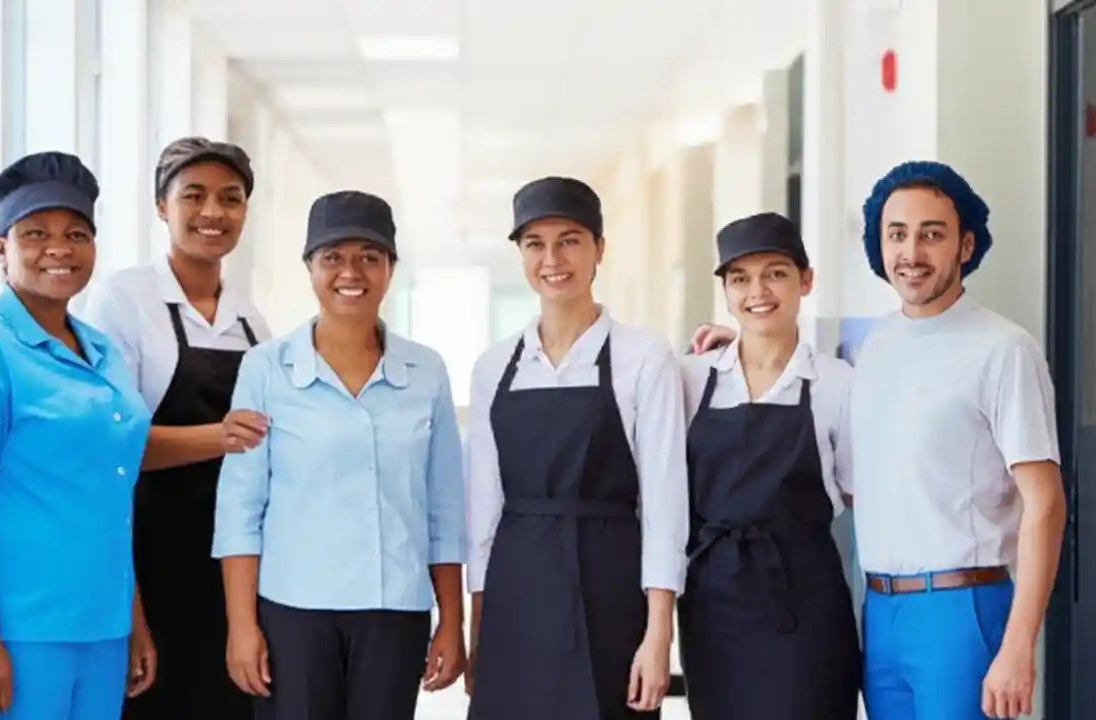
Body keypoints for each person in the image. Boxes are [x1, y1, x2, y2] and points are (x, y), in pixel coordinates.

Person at [692, 161, 1066, 720]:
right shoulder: (878, 347)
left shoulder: (1003, 349)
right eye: (897, 234)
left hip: (961, 606)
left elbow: (1046, 503)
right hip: (881, 612)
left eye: (932, 234)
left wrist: (1018, 645)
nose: (912, 252)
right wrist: (746, 342)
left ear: (966, 245)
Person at [212, 190, 467, 720]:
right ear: (310, 267)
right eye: (332, 257)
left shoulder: (426, 371)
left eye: (369, 257)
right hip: (293, 613)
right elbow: (240, 511)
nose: (351, 271)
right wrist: (241, 626)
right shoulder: (266, 368)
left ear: (391, 268)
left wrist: (451, 621)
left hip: (394, 611)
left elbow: (443, 508)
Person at [0, 151, 155, 719]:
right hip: (14, 631)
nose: (59, 247)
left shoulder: (101, 352)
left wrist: (132, 621)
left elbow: (109, 495)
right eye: (35, 234)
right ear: (1, 249)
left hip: (98, 626)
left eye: (76, 233)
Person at [465, 177, 688, 719]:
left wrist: (659, 635)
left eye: (569, 240)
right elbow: (482, 516)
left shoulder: (644, 357)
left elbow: (664, 504)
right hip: (515, 593)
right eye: (535, 244)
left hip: (609, 589)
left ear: (599, 250)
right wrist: (478, 633)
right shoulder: (494, 366)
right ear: (520, 254)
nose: (553, 258)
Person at [81, 136, 270, 720]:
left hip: (232, 557)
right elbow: (106, 447)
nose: (213, 212)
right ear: (162, 206)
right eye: (194, 195)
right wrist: (222, 436)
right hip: (150, 548)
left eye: (230, 198)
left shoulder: (249, 318)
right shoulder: (126, 299)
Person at [676, 212, 860, 719]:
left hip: (804, 600)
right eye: (740, 278)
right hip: (712, 602)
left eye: (775, 273)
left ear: (806, 280)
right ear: (728, 292)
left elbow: (860, 497)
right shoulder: (689, 378)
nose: (758, 290)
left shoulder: (836, 383)